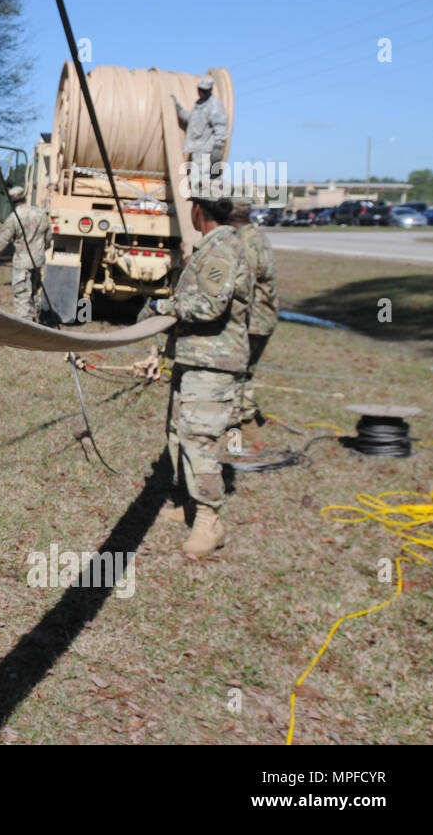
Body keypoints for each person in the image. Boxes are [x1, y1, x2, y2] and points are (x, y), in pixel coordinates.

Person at [143, 197, 253, 557]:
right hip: (194, 360)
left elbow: (208, 306)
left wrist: (161, 306)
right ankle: (191, 505)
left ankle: (210, 522)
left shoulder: (222, 248)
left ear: (198, 211)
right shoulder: (214, 246)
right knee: (178, 433)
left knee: (198, 441)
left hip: (213, 365)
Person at [230, 198, 279, 431]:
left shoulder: (244, 242)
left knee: (237, 369)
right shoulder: (258, 236)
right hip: (264, 317)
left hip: (252, 319)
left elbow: (242, 285)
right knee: (246, 371)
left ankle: (239, 418)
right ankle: (245, 412)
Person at [0, 186, 52, 321]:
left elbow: (3, 239)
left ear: (11, 201)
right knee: (34, 290)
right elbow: (48, 237)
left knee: (22, 294)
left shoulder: (14, 218)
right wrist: (42, 249)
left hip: (22, 261)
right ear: (24, 197)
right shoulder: (41, 214)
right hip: (38, 260)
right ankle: (37, 318)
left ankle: (25, 325)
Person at [173, 76, 229, 198]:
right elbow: (191, 121)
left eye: (204, 90)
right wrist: (179, 109)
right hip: (196, 148)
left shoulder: (214, 105)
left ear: (209, 91)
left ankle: (202, 202)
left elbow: (221, 125)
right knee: (195, 177)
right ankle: (198, 200)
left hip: (206, 149)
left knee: (202, 178)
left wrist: (218, 145)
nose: (201, 92)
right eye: (200, 89)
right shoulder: (199, 104)